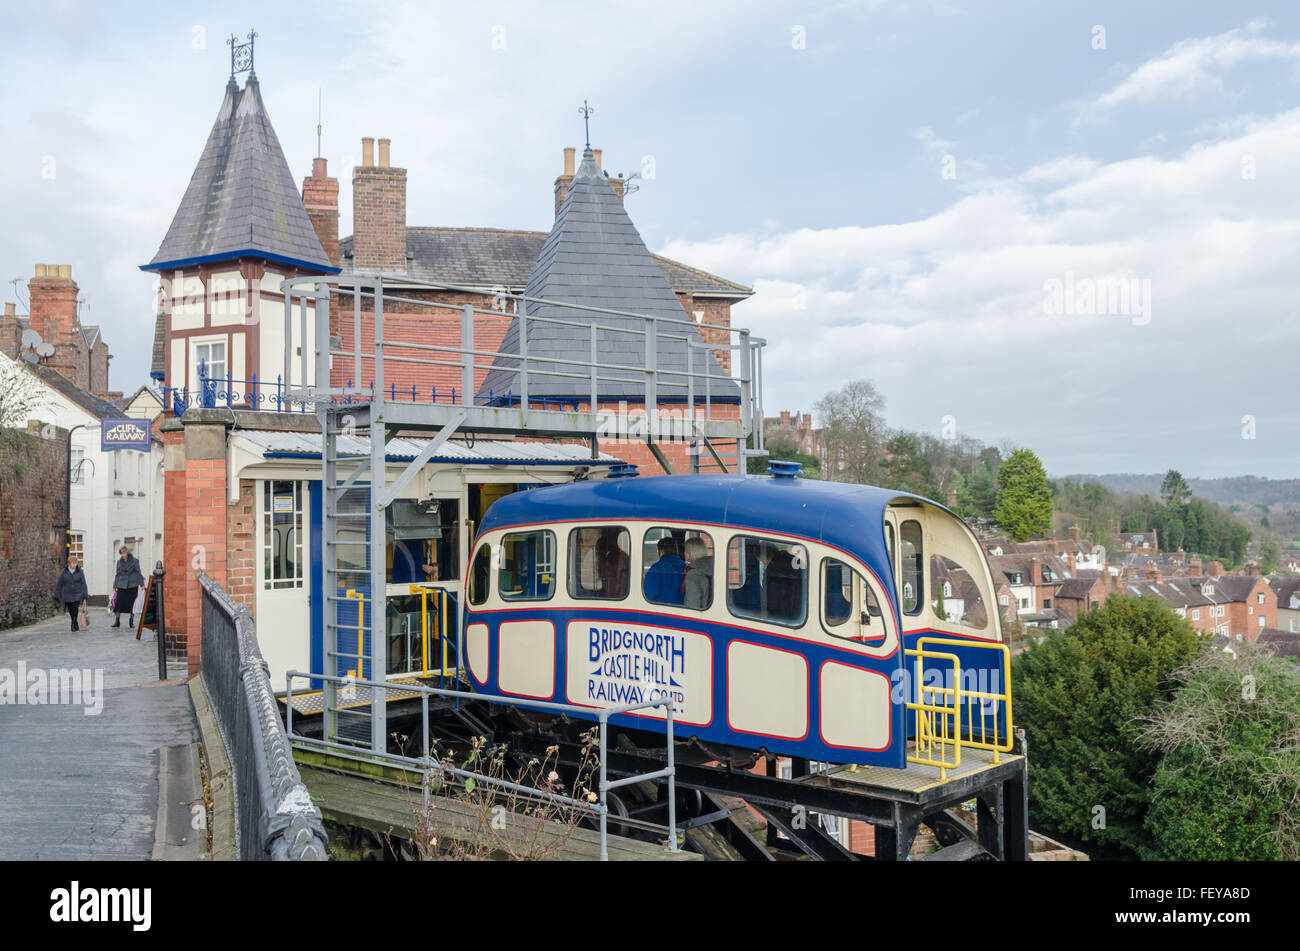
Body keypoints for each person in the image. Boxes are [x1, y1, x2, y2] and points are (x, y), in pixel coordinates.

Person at [643, 536, 687, 606]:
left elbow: (649, 596)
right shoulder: (686, 567)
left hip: (661, 612)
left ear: (661, 551)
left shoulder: (655, 569)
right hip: (683, 611)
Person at [112, 545, 145, 629]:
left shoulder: (135, 561)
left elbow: (138, 573)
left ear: (127, 552)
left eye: (124, 553)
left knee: (132, 604)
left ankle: (131, 621)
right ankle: (117, 621)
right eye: (121, 553)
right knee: (118, 603)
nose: (123, 555)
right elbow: (117, 574)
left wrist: (142, 585)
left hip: (132, 585)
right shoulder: (119, 562)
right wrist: (114, 586)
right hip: (121, 585)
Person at [54, 554, 88, 632]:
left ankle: (73, 624)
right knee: (70, 609)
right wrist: (56, 593)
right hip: (67, 593)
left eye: (75, 563)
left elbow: (83, 583)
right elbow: (59, 583)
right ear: (69, 564)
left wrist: (85, 595)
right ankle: (75, 621)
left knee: (75, 608)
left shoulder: (80, 571)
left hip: (77, 593)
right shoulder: (64, 571)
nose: (74, 565)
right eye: (73, 563)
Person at [682, 537, 713, 610]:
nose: (684, 553)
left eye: (685, 550)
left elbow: (692, 606)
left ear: (690, 553)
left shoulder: (693, 574)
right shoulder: (715, 567)